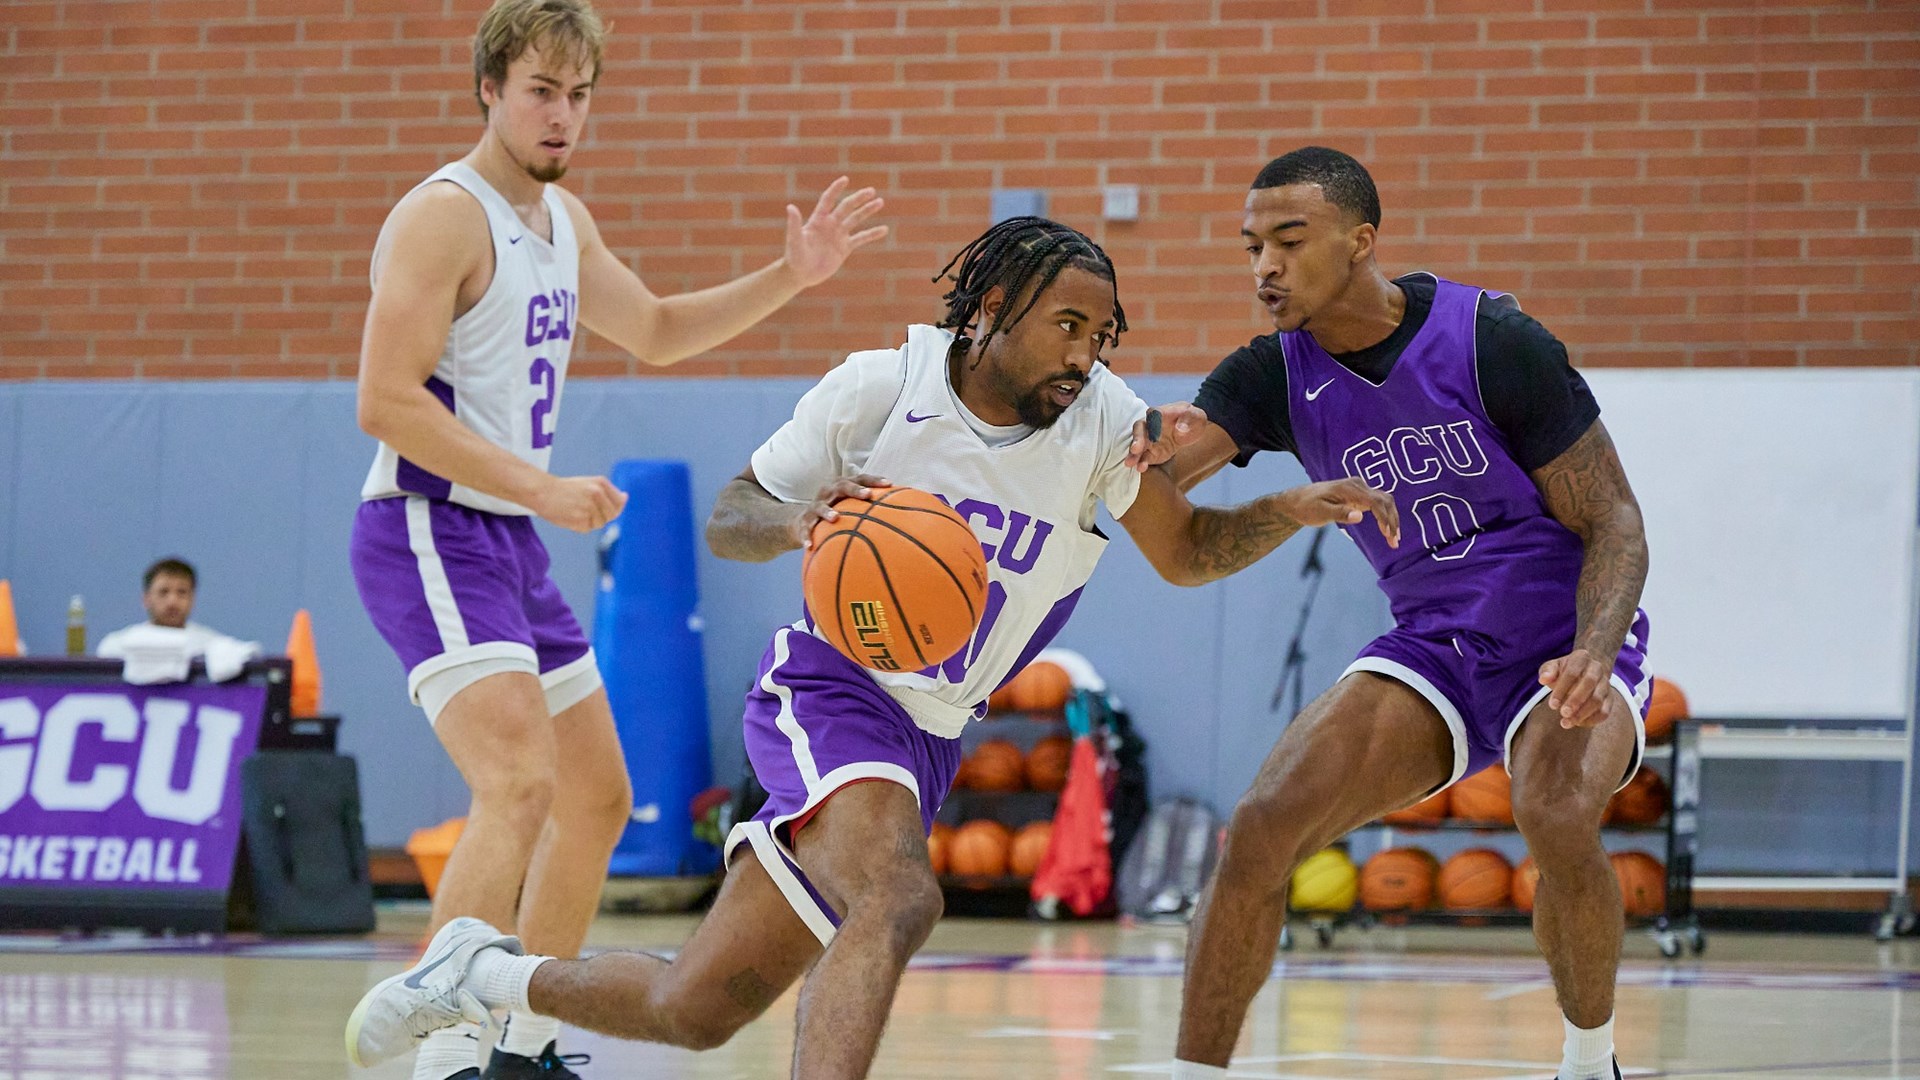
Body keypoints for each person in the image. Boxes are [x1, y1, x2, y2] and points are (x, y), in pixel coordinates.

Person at [344, 215, 1399, 1080]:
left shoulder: (1102, 425)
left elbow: (1187, 552)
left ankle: (481, 974)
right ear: (989, 311)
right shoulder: (881, 387)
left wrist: (1290, 508)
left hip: (930, 737)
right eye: (1067, 326)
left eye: (1101, 333)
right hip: (830, 691)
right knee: (900, 896)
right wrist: (806, 522)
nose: (1086, 354)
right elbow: (734, 515)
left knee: (696, 1005)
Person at [343, 1, 886, 1077]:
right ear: (490, 88)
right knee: (517, 783)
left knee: (596, 794)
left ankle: (521, 1044)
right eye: (542, 91)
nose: (563, 116)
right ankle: (439, 1049)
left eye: (579, 95)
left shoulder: (564, 224)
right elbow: (385, 401)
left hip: (511, 540)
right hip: (428, 527)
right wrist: (537, 486)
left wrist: (794, 277)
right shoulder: (442, 216)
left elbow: (658, 330)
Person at [1128, 147, 1650, 1080]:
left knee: (1553, 805)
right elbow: (1170, 476)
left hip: (1559, 637)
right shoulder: (1268, 376)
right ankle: (1193, 1073)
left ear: (1360, 240)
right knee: (1261, 823)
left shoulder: (1492, 340)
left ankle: (1589, 1060)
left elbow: (1612, 518)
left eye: (1290, 241)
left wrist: (1595, 651)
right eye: (1252, 248)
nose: (1265, 269)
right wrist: (1121, 444)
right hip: (1436, 647)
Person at [95, 558, 224, 657]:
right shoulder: (117, 648)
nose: (172, 602)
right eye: (163, 592)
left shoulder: (213, 649)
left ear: (192, 599)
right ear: (146, 599)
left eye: (182, 592)